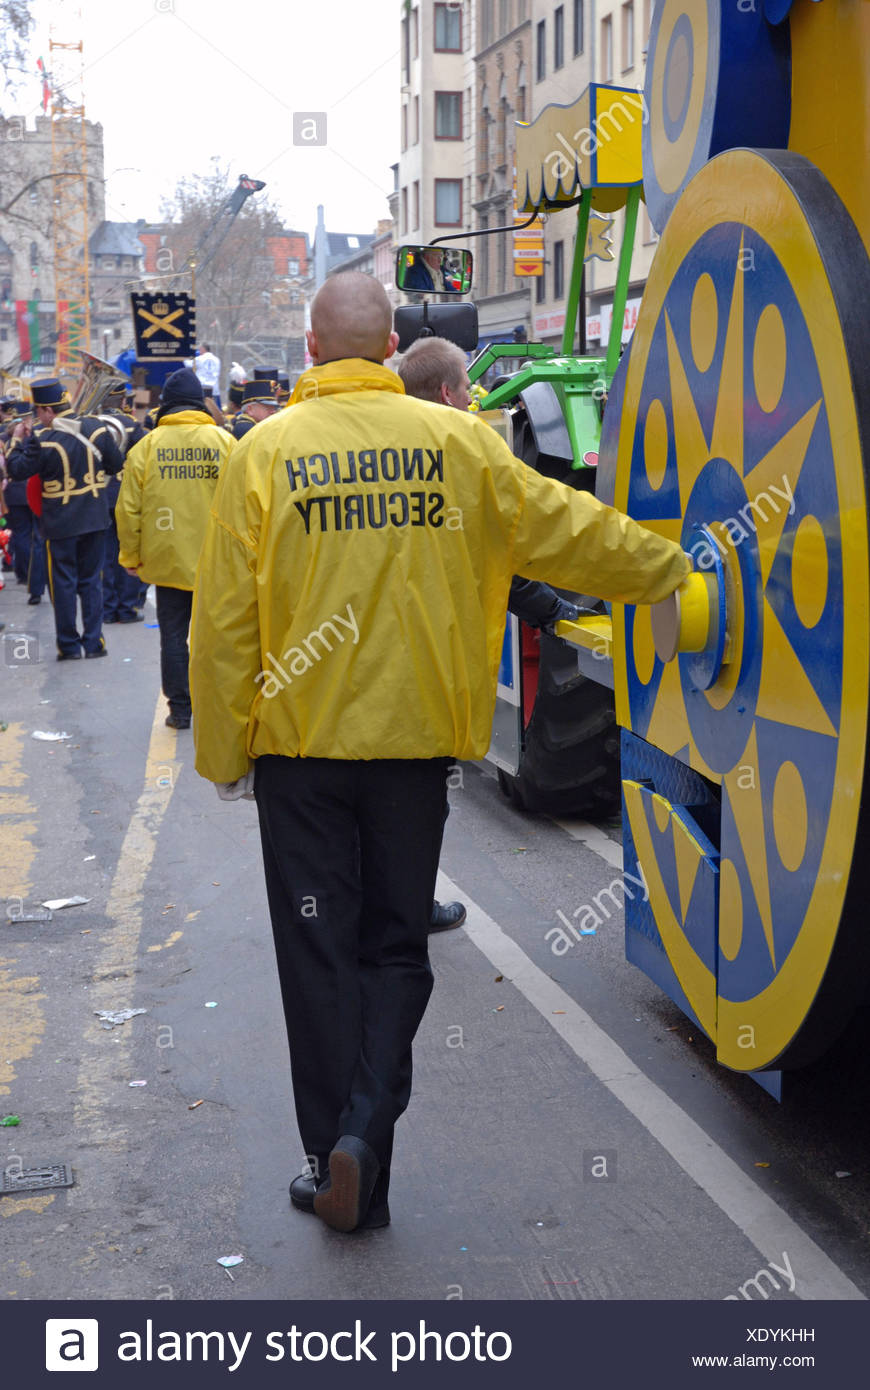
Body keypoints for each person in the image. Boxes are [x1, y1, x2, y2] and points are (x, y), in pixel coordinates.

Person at [189, 272, 690, 1234]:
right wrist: (674, 570)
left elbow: (224, 625)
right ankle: (365, 1141)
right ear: (387, 349)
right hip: (415, 753)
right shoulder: (462, 444)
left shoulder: (263, 455)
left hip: (300, 754)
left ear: (307, 349)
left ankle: (332, 1156)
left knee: (316, 950)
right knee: (394, 947)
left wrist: (226, 752)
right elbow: (572, 534)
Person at [397, 336, 583, 933]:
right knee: (416, 803)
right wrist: (554, 608)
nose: (478, 399)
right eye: (471, 390)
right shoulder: (465, 451)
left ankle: (360, 912)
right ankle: (408, 908)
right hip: (427, 668)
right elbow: (496, 555)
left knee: (355, 803)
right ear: (450, 392)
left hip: (343, 675)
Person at [116, 367, 233, 728]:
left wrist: (131, 557)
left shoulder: (146, 449)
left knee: (173, 639)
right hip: (218, 564)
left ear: (164, 405)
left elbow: (128, 509)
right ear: (200, 404)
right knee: (216, 641)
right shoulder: (226, 444)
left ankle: (181, 710)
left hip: (167, 563)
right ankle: (218, 708)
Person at [6, 378, 124, 659]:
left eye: (39, 412)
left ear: (48, 410)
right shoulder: (96, 428)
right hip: (95, 519)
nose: (38, 418)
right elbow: (117, 464)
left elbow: (16, 469)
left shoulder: (43, 441)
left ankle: (69, 646)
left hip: (60, 523)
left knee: (63, 584)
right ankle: (95, 644)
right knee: (91, 581)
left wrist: (18, 440)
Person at [100, 383, 147, 625]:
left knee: (105, 556)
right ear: (121, 402)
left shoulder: (91, 423)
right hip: (125, 494)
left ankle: (107, 609)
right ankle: (127, 608)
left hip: (99, 495)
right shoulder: (131, 425)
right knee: (127, 552)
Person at [2, 402, 46, 606]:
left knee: (20, 533)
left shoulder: (5, 437)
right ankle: (36, 582)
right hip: (35, 491)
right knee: (37, 539)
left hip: (14, 493)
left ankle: (23, 573)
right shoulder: (39, 436)